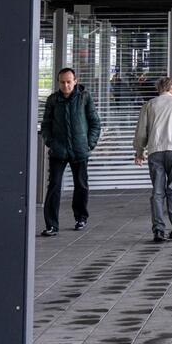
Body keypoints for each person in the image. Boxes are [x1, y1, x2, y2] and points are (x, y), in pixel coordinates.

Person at [40, 67, 103, 236]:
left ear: (75, 81)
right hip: (58, 151)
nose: (66, 85)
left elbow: (95, 123)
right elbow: (45, 124)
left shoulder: (84, 98)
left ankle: (81, 218)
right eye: (62, 82)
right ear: (58, 82)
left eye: (69, 82)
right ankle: (51, 225)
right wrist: (50, 142)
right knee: (54, 186)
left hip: (79, 149)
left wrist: (89, 144)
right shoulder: (53, 100)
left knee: (81, 185)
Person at [133, 77, 172, 243]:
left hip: (156, 150)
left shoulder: (149, 105)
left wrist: (139, 152)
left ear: (158, 89)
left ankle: (158, 229)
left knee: (158, 192)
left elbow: (141, 132)